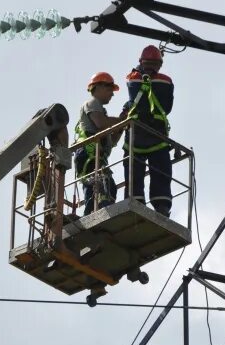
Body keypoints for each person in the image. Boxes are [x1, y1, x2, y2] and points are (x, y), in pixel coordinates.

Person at [123, 45, 174, 217]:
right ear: (159, 64)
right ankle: (162, 206)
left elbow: (134, 99)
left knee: (133, 170)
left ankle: (135, 202)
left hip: (136, 133)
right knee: (160, 170)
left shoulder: (133, 77)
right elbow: (167, 108)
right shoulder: (166, 81)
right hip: (157, 134)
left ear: (141, 62)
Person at [74, 72, 124, 215]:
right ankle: (94, 214)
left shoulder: (102, 112)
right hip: (88, 153)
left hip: (96, 156)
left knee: (108, 187)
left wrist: (121, 127)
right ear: (99, 87)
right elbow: (101, 123)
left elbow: (112, 142)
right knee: (98, 185)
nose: (112, 94)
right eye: (109, 89)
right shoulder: (92, 103)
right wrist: (121, 121)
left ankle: (97, 213)